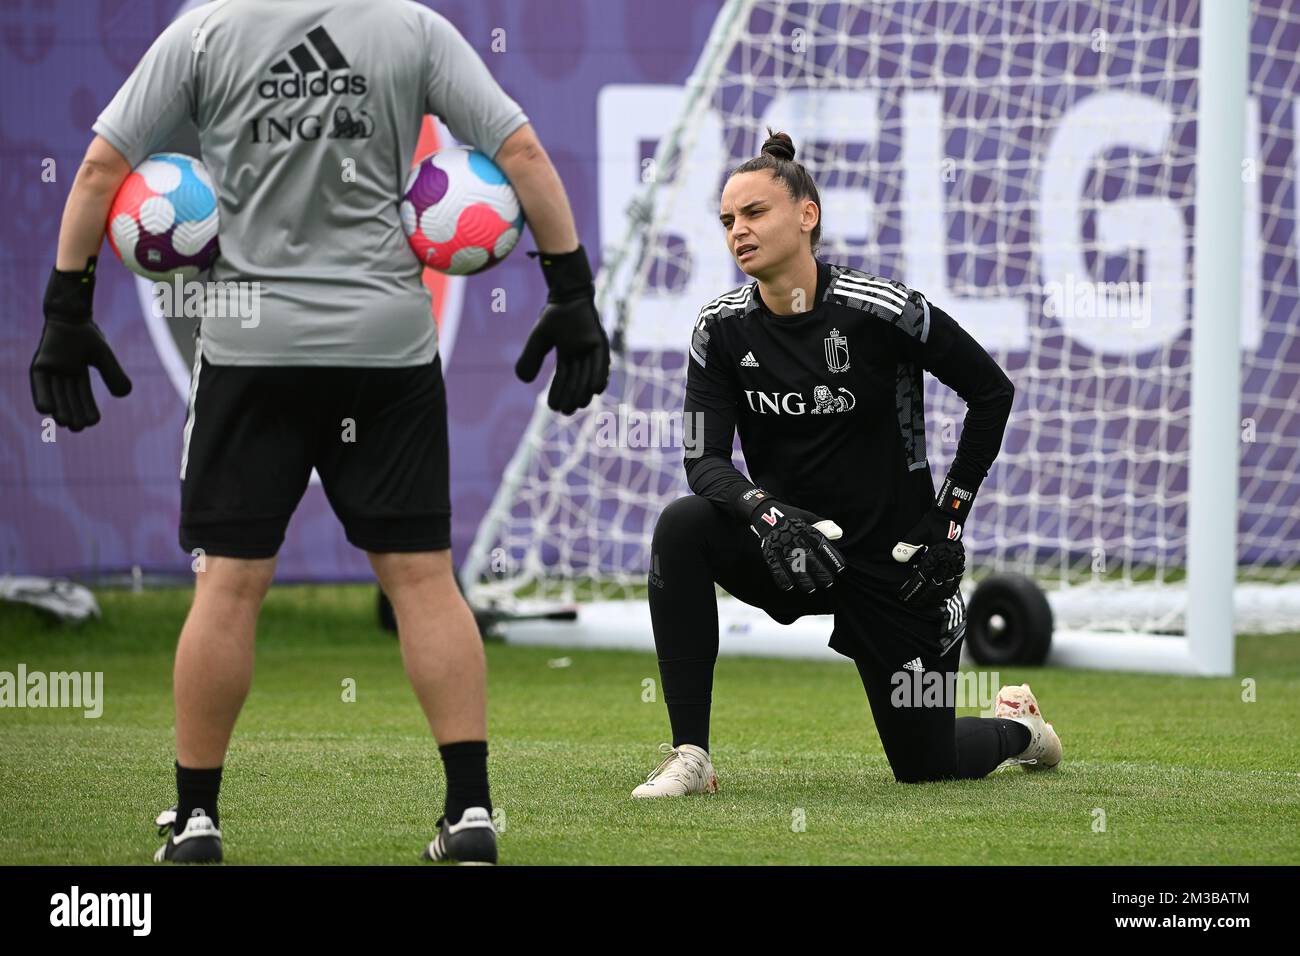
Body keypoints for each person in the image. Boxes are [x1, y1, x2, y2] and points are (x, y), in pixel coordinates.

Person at [29, 0, 609, 864]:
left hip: (250, 348)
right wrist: (571, 292)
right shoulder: (411, 28)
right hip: (386, 349)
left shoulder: (205, 31)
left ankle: (195, 823)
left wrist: (65, 308)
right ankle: (472, 813)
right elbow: (521, 152)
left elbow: (96, 171)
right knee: (420, 579)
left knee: (227, 585)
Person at [633, 130, 1060, 797]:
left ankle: (1020, 728)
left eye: (754, 213)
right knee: (684, 526)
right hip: (792, 553)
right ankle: (691, 755)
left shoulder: (882, 310)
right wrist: (772, 521)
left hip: (894, 564)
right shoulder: (718, 329)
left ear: (807, 216)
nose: (738, 231)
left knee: (925, 765)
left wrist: (948, 523)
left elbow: (991, 392)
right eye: (726, 220)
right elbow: (704, 464)